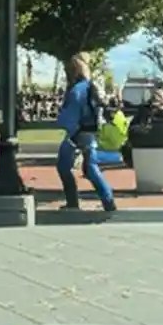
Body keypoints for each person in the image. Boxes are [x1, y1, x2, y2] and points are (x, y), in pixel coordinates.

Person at [55, 53, 117, 212]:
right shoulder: (90, 86)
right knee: (89, 166)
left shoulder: (78, 89)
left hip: (78, 131)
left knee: (65, 165)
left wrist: (64, 123)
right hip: (88, 130)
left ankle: (75, 202)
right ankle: (107, 200)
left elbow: (71, 113)